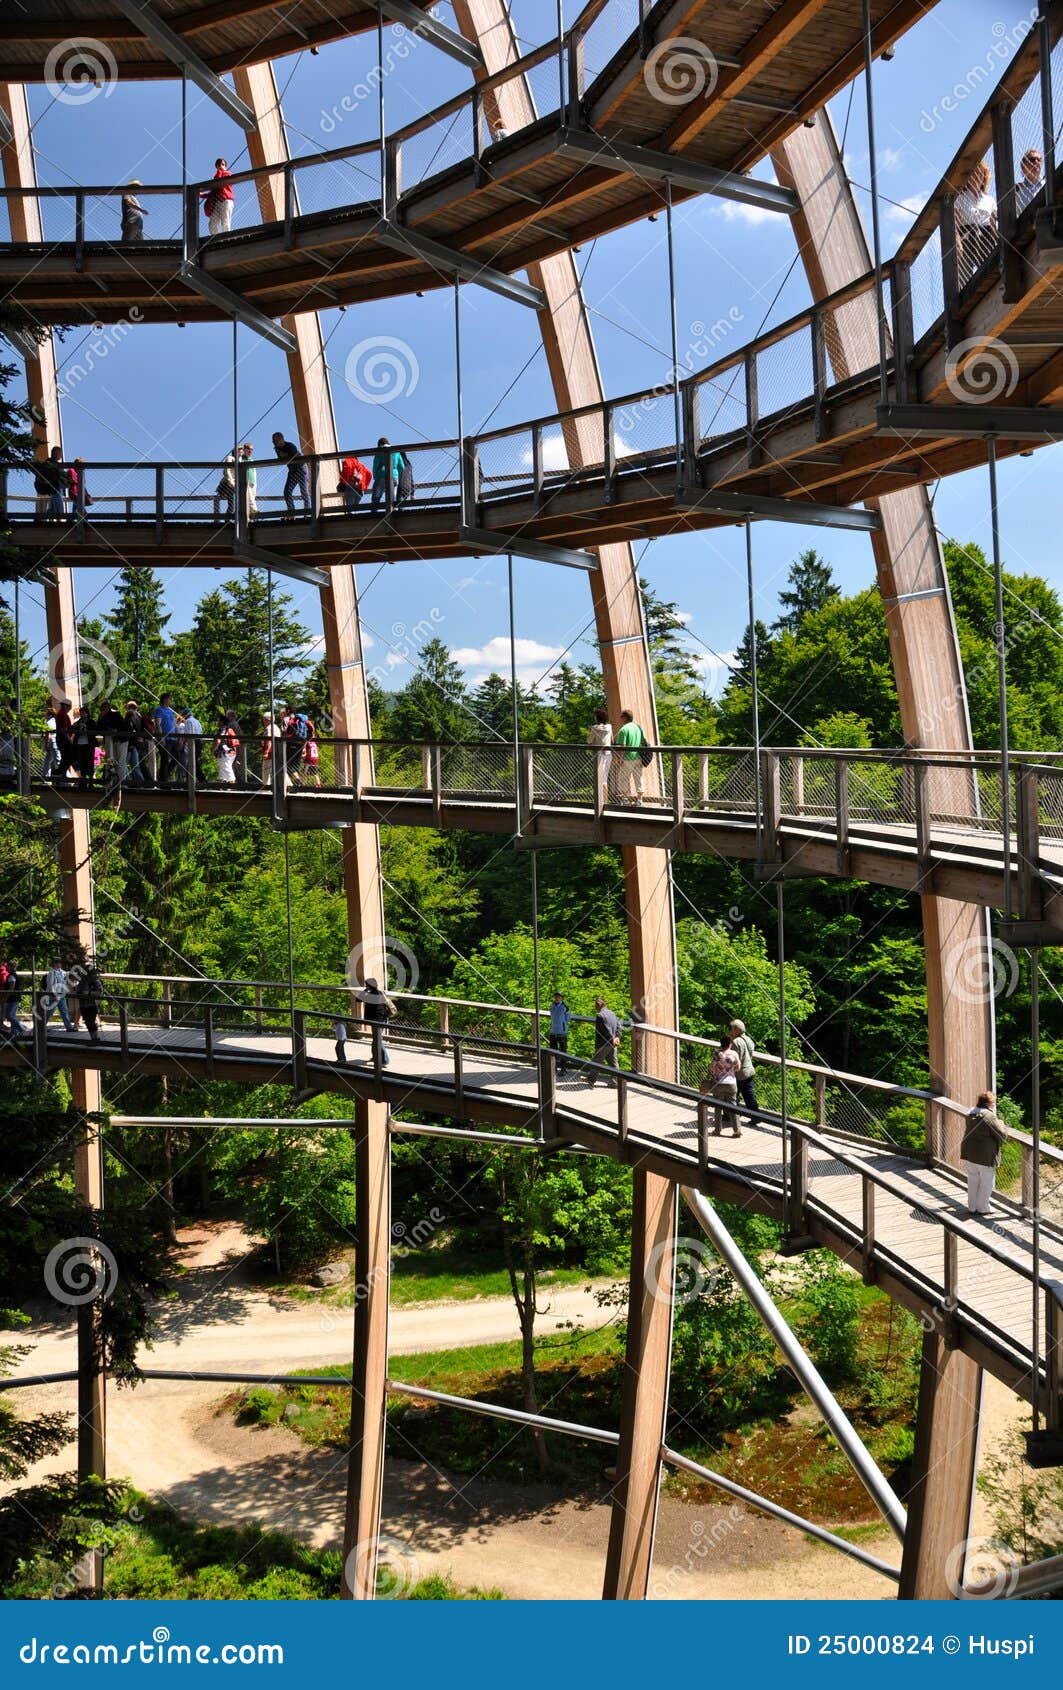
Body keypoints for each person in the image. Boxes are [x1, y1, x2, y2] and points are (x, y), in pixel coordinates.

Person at [961, 1090, 1007, 1217]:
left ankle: (972, 1207)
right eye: (993, 1102)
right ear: (989, 1103)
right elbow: (1002, 1135)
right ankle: (983, 1207)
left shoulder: (970, 1113)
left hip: (970, 1152)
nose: (994, 1104)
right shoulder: (989, 1116)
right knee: (987, 1182)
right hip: (985, 1155)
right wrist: (1002, 1123)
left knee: (972, 1180)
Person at [955, 159, 997, 280]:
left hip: (985, 237)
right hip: (966, 237)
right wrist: (958, 242)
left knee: (987, 275)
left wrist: (997, 242)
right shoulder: (960, 199)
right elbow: (955, 224)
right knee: (964, 276)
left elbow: (993, 225)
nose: (976, 177)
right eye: (973, 173)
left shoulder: (989, 200)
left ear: (984, 176)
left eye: (980, 173)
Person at [703, 1035, 741, 1137]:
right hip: (731, 1083)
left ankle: (717, 1130)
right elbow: (738, 1068)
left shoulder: (717, 1054)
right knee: (733, 1106)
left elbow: (712, 1068)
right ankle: (737, 1130)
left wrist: (719, 1071)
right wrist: (730, 1070)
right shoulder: (734, 1054)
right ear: (730, 1044)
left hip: (718, 1083)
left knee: (718, 1107)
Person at [357, 976, 396, 1065]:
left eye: (366, 985)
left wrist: (365, 990)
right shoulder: (379, 993)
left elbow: (358, 999)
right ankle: (375, 1057)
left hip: (377, 1021)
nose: (365, 986)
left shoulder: (372, 994)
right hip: (379, 1019)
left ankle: (385, 1060)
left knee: (377, 1040)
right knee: (376, 1039)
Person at [613, 708, 648, 805]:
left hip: (627, 758)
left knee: (623, 778)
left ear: (624, 718)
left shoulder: (623, 729)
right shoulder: (638, 728)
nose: (620, 718)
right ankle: (640, 800)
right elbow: (642, 742)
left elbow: (622, 747)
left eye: (621, 716)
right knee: (639, 778)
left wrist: (618, 759)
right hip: (638, 757)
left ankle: (625, 799)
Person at [272, 432, 310, 515]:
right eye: (273, 442)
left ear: (281, 439)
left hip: (301, 469)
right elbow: (281, 460)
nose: (275, 443)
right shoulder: (277, 449)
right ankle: (291, 511)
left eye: (276, 441)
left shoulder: (290, 446)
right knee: (287, 491)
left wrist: (285, 457)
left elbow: (293, 458)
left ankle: (307, 511)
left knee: (304, 491)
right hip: (292, 471)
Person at [587, 995, 621, 1088]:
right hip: (612, 1043)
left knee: (596, 1062)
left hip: (603, 1043)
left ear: (599, 1005)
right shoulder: (612, 1013)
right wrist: (617, 1037)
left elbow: (605, 1030)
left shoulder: (600, 1016)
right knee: (613, 1063)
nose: (595, 1007)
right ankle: (615, 1082)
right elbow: (618, 1025)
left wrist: (612, 1039)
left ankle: (591, 1080)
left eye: (595, 1005)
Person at [729, 1018, 758, 1122]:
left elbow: (735, 1059)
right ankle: (756, 1117)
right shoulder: (749, 1039)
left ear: (736, 1030)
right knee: (749, 1095)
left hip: (740, 1074)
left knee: (732, 1094)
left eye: (732, 1028)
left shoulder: (736, 1042)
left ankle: (733, 1115)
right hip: (749, 1071)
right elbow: (750, 1054)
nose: (731, 1030)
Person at [587, 708, 614, 807]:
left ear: (597, 717)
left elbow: (589, 741)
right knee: (605, 778)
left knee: (599, 778)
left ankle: (601, 801)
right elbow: (612, 740)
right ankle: (605, 801)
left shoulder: (594, 728)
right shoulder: (609, 727)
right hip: (608, 754)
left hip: (599, 755)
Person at [34, 447, 69, 521]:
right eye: (60, 453)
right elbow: (56, 476)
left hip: (54, 488)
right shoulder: (51, 464)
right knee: (58, 508)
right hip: (55, 488)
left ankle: (41, 519)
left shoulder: (51, 463)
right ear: (56, 453)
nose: (61, 455)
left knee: (53, 507)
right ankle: (58, 521)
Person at [96, 697, 124, 790]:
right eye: (102, 708)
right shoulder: (101, 718)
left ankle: (120, 783)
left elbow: (122, 725)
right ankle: (110, 783)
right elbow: (99, 729)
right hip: (109, 739)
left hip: (119, 740)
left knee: (119, 762)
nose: (103, 709)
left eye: (105, 707)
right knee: (109, 761)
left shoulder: (116, 715)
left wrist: (115, 730)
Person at [202, 158, 234, 235]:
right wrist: (201, 194)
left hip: (226, 200)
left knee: (225, 222)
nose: (221, 166)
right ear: (216, 167)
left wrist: (219, 170)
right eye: (218, 165)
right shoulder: (217, 176)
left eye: (222, 164)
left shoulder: (228, 173)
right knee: (212, 224)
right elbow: (212, 193)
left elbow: (219, 180)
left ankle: (227, 239)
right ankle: (216, 240)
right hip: (217, 203)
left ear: (225, 166)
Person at [154, 693, 180, 786]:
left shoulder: (170, 711)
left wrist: (178, 736)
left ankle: (164, 776)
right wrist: (161, 738)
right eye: (170, 699)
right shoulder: (159, 710)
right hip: (165, 738)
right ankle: (163, 781)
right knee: (165, 759)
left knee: (176, 758)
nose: (171, 701)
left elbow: (175, 724)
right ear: (165, 699)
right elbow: (158, 724)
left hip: (173, 738)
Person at [371, 438, 404, 511]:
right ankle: (392, 509)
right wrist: (396, 472)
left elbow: (376, 464)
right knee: (393, 495)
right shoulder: (396, 451)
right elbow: (401, 466)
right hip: (394, 476)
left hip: (382, 474)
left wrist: (375, 476)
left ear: (379, 444)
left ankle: (374, 510)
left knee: (377, 495)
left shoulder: (379, 451)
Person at [282, 704, 313, 783]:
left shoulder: (286, 719)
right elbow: (307, 735)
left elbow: (283, 733)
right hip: (301, 744)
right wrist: (304, 748)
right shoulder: (300, 719)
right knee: (296, 766)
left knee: (287, 766)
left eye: (285, 710)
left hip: (291, 744)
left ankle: (298, 782)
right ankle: (296, 784)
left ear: (288, 711)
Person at [42, 958, 75, 1032]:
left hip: (61, 995)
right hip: (54, 995)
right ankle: (42, 1026)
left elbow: (67, 978)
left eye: (60, 962)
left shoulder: (62, 972)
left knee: (64, 1011)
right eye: (58, 963)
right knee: (49, 1012)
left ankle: (69, 1027)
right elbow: (50, 985)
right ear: (54, 964)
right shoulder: (51, 973)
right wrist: (52, 995)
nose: (60, 964)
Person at [78, 960, 104, 1044]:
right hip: (83, 1003)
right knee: (87, 1021)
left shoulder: (95, 980)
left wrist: (89, 993)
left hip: (92, 1004)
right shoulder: (82, 980)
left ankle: (95, 1038)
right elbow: (79, 989)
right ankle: (93, 1038)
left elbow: (100, 991)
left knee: (91, 1021)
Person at [71, 705, 97, 787]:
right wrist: (75, 726)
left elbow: (95, 731)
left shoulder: (91, 722)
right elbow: (71, 728)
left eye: (83, 712)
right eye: (81, 713)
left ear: (87, 713)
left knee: (89, 762)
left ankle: (91, 781)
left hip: (89, 745)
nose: (82, 714)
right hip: (79, 744)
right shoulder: (78, 722)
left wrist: (87, 729)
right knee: (81, 762)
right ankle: (83, 781)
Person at [547, 989, 571, 1074]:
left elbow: (568, 1019)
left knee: (563, 1052)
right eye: (556, 996)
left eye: (559, 997)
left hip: (562, 1032)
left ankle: (563, 1069)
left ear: (561, 998)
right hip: (553, 1031)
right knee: (553, 1052)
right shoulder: (552, 1006)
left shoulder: (565, 1007)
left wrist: (562, 1024)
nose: (557, 998)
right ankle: (553, 1068)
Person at [213, 712, 241, 783]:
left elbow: (218, 741)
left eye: (219, 721)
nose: (217, 722)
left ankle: (232, 786)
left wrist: (213, 749)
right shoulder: (229, 729)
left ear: (222, 722)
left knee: (227, 769)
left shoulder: (222, 730)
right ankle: (222, 785)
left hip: (224, 753)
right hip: (231, 752)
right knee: (222, 768)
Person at [0, 960, 25, 1038]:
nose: (6, 967)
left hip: (13, 998)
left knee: (9, 1015)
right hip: (14, 998)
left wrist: (5, 998)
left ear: (11, 967)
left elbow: (11, 988)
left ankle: (21, 1028)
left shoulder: (11, 976)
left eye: (7, 966)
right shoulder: (13, 975)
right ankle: (14, 1032)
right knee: (12, 1015)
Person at [178, 706, 204, 782]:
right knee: (195, 762)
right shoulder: (197, 721)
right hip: (199, 742)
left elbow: (188, 734)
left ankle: (192, 781)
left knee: (191, 762)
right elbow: (201, 732)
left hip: (192, 743)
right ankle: (193, 780)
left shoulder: (188, 721)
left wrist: (182, 744)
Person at [1015, 147, 1044, 213]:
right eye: (1032, 159)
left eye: (1039, 159)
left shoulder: (1048, 185)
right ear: (1023, 166)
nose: (1036, 162)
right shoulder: (1017, 192)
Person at [54, 698, 75, 780]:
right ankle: (59, 772)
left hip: (61, 738)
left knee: (66, 757)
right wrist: (68, 739)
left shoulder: (62, 714)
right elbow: (64, 729)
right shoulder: (62, 715)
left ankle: (61, 773)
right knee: (68, 757)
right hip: (63, 738)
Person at [213, 451, 236, 519]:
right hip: (228, 483)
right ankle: (228, 517)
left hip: (232, 483)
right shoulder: (230, 458)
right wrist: (230, 480)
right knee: (231, 502)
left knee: (232, 502)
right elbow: (227, 470)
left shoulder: (239, 460)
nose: (241, 452)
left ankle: (228, 517)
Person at [42, 702, 60, 781]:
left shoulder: (48, 722)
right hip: (56, 742)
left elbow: (48, 735)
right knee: (48, 762)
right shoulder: (56, 722)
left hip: (51, 744)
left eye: (46, 714)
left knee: (57, 761)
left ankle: (66, 779)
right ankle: (46, 778)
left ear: (49, 714)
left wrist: (46, 745)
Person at [240, 443, 257, 520]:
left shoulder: (252, 460)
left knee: (251, 499)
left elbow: (254, 472)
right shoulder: (241, 459)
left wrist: (255, 483)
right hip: (245, 482)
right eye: (249, 449)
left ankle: (250, 519)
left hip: (253, 483)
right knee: (250, 501)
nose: (250, 451)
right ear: (244, 449)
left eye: (252, 449)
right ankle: (256, 515)